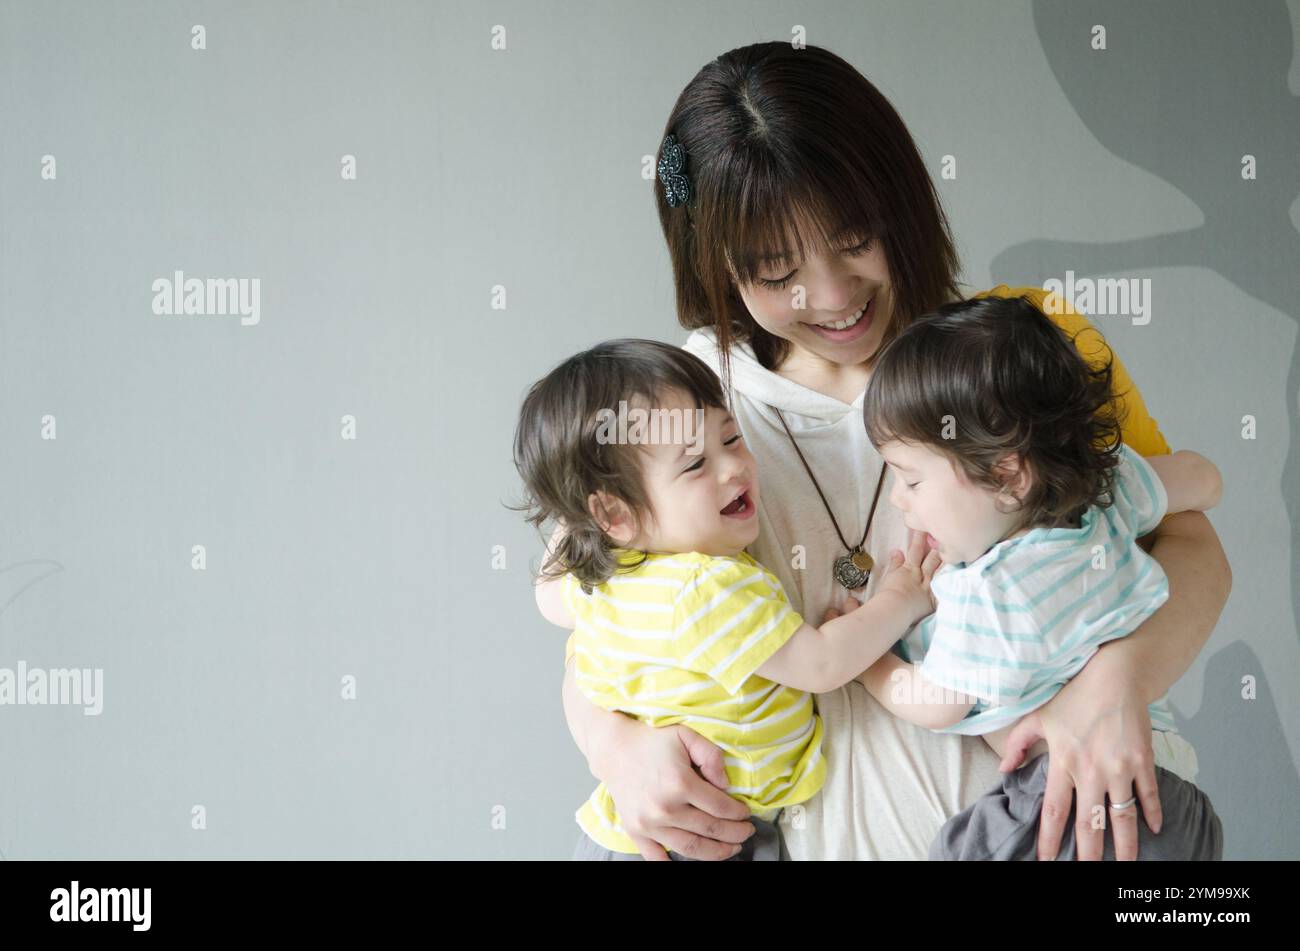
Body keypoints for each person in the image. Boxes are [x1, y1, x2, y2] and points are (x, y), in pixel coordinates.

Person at [559, 41, 1232, 860]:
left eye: (853, 238)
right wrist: (613, 749)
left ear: (901, 200)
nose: (834, 297)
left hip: (1058, 826)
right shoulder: (676, 405)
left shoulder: (1019, 345)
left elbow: (1193, 547)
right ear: (716, 264)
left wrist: (1116, 681)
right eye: (777, 272)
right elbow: (596, 620)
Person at [513, 339, 941, 859]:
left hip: (659, 833)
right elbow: (822, 662)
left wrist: (587, 511)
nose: (732, 468)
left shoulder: (605, 579)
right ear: (616, 516)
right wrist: (901, 598)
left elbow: (545, 598)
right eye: (695, 465)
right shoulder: (705, 589)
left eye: (732, 439)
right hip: (695, 836)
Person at [852, 294, 1224, 859]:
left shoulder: (992, 592)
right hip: (1177, 798)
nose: (901, 501)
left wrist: (870, 666)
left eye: (912, 480)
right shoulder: (1108, 497)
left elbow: (939, 703)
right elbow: (1205, 479)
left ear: (1009, 475)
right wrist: (1116, 468)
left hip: (1072, 800)